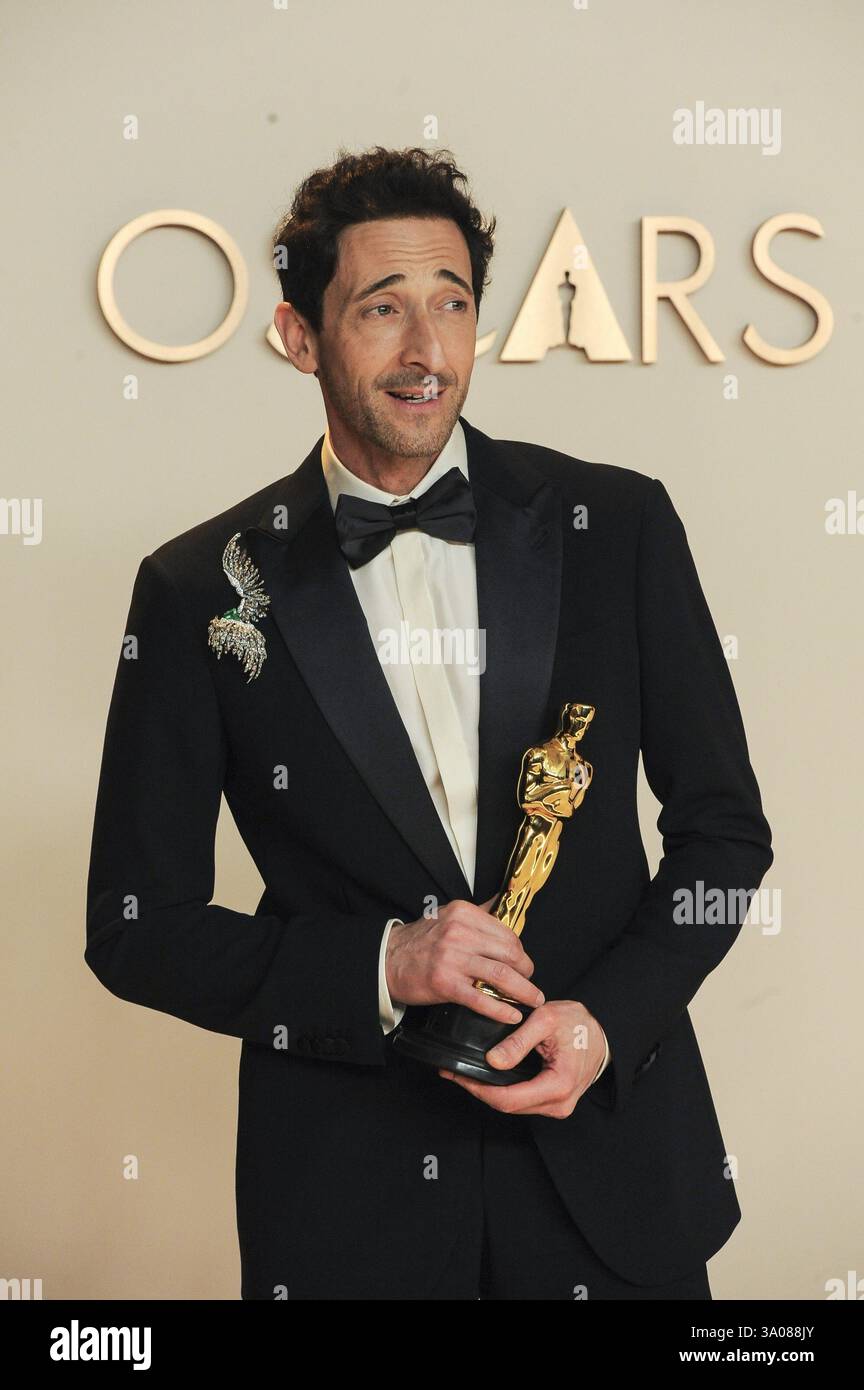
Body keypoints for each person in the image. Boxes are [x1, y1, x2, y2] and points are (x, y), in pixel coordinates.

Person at [85, 145, 773, 1300]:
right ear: (300, 337)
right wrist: (382, 964)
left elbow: (724, 831)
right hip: (347, 1216)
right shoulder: (198, 586)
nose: (428, 351)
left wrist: (604, 1025)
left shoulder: (622, 524)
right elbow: (133, 923)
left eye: (453, 304)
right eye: (382, 309)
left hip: (615, 1182)